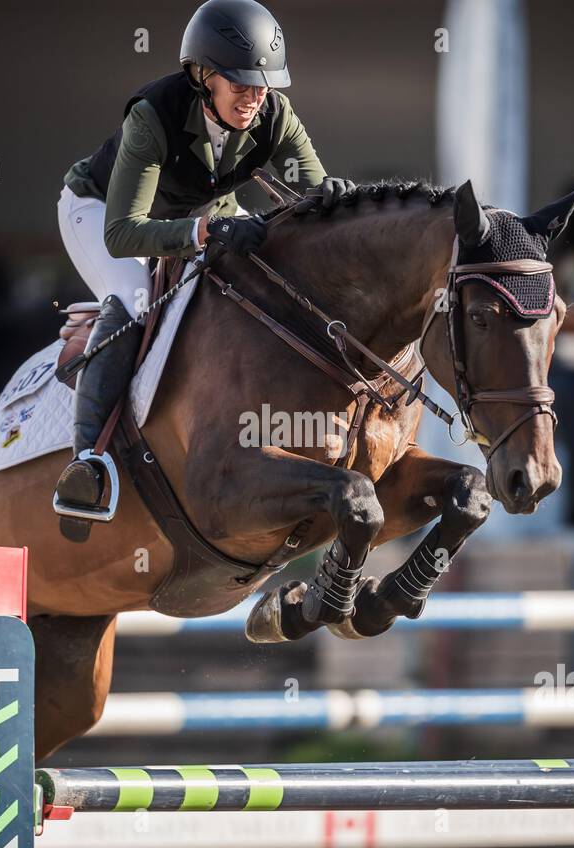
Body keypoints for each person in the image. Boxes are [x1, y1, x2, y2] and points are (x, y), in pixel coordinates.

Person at [53, 0, 353, 522]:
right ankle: (86, 464)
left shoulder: (275, 115)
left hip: (200, 212)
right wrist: (206, 231)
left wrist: (336, 199)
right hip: (101, 213)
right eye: (241, 84)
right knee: (135, 298)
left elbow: (311, 193)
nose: (255, 97)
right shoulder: (153, 116)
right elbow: (124, 233)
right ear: (203, 76)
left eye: (263, 85)